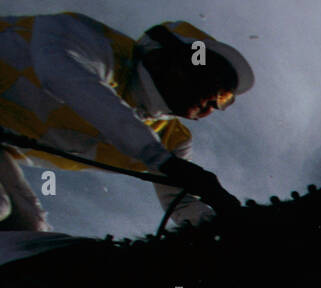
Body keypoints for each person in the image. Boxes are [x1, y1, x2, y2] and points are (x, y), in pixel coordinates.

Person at [0, 14, 252, 230]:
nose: (215, 98)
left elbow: (182, 204)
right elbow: (59, 75)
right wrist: (162, 161)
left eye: (225, 96)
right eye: (210, 73)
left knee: (26, 227)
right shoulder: (91, 39)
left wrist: (223, 223)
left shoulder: (172, 140)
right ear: (160, 56)